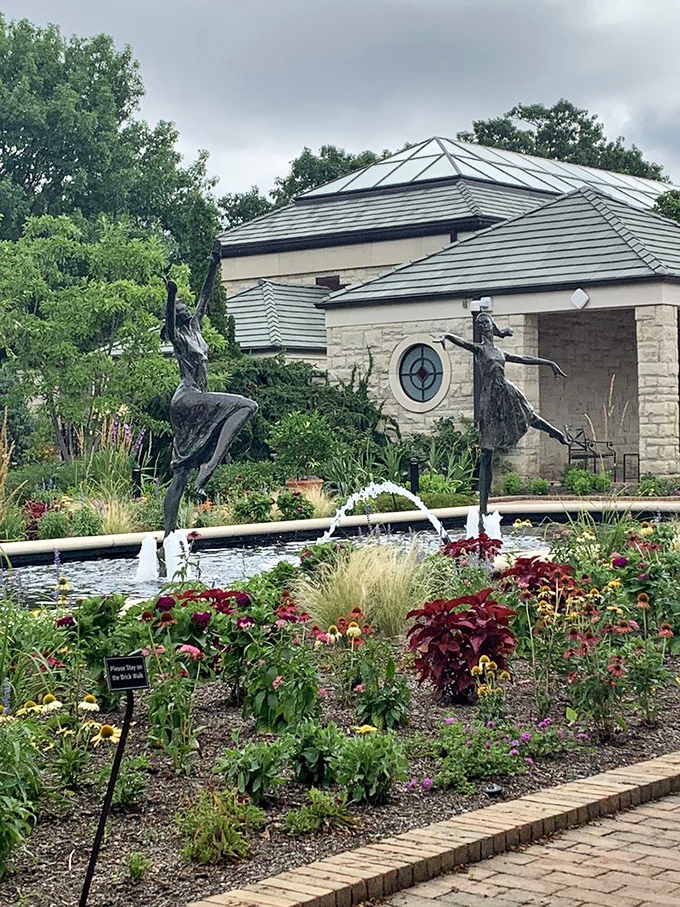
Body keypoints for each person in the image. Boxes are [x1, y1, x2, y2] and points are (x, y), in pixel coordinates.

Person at [434, 314, 567, 532]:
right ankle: (483, 509)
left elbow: (525, 358)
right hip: (489, 401)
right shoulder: (480, 350)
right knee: (487, 453)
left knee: (527, 415)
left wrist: (549, 363)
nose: (483, 325)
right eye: (480, 323)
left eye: (486, 322)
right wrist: (446, 336)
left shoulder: (499, 352)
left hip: (505, 391)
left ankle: (555, 433)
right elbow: (462, 342)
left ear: (492, 326)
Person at [162, 240, 257, 537]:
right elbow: (169, 322)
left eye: (184, 304)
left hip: (197, 399)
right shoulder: (179, 338)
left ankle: (167, 537)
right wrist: (171, 295)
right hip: (186, 399)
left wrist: (214, 263)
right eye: (180, 306)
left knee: (180, 473)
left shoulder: (196, 327)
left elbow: (205, 294)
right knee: (246, 405)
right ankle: (210, 466)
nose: (185, 307)